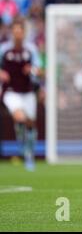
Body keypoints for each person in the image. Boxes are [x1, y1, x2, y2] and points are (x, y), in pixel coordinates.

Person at [0, 17, 42, 171]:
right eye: (15, 31)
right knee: (20, 117)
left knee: (30, 123)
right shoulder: (4, 49)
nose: (17, 34)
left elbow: (39, 69)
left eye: (20, 31)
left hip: (28, 92)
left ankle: (29, 154)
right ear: (11, 32)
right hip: (11, 92)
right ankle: (22, 146)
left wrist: (31, 70)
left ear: (24, 33)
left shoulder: (31, 49)